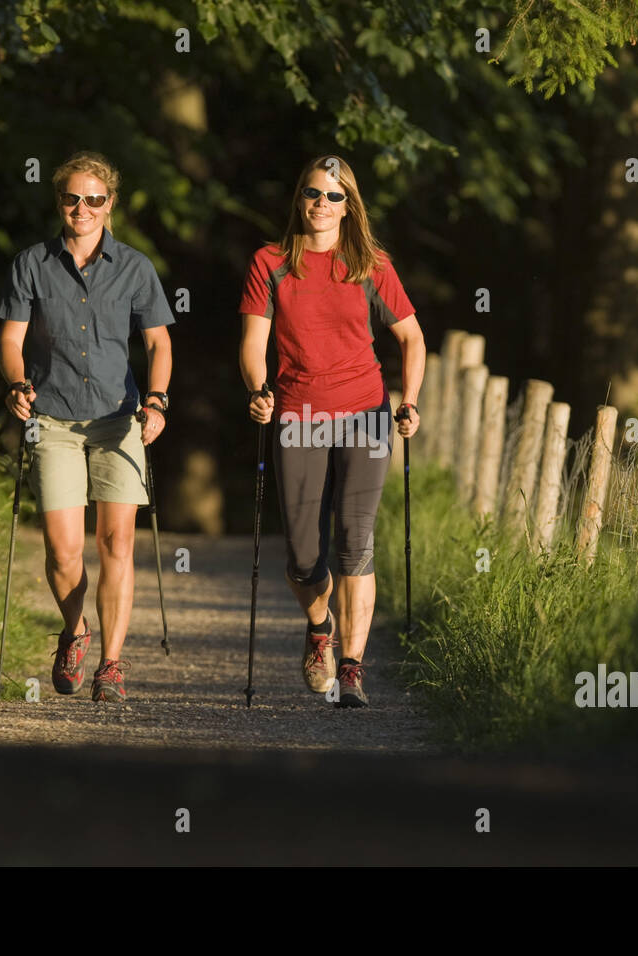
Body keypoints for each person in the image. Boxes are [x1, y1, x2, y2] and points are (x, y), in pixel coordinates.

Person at [238, 154, 425, 708]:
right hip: (298, 414)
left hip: (366, 411)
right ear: (300, 199)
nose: (323, 204)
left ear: (350, 207)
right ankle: (320, 625)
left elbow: (412, 339)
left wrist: (408, 401)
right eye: (314, 194)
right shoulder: (270, 262)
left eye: (334, 196)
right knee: (301, 554)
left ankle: (351, 668)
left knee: (355, 539)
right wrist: (258, 389)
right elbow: (254, 342)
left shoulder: (371, 264)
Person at [0, 150, 174, 704]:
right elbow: (10, 339)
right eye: (72, 198)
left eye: (94, 199)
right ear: (60, 202)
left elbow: (158, 341)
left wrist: (158, 399)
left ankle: (112, 665)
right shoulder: (32, 263)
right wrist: (17, 383)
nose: (82, 208)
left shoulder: (136, 268)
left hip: (119, 419)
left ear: (109, 204)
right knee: (63, 551)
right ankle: (74, 631)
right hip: (51, 417)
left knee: (117, 542)